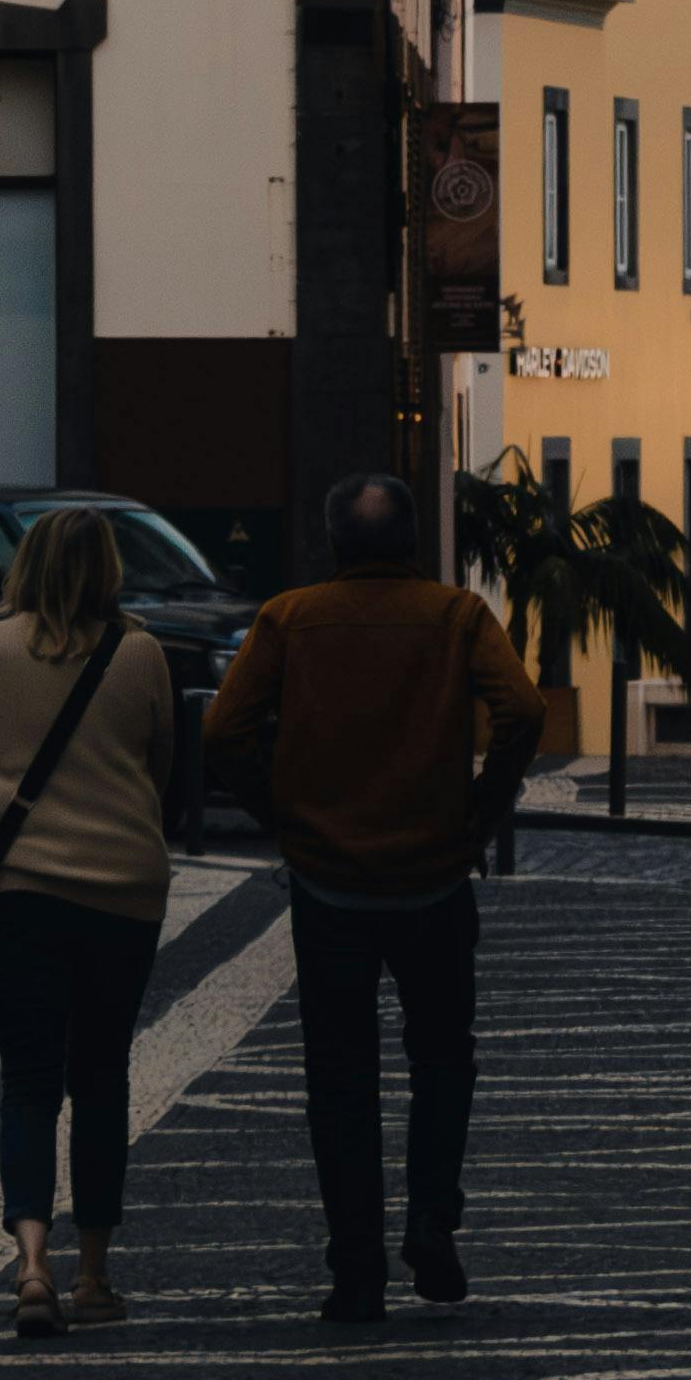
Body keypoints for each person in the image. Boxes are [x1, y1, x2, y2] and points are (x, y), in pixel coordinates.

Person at [202, 473, 551, 1330]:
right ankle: (432, 1217)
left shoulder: (288, 619)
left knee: (341, 1079)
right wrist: (481, 811)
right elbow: (523, 709)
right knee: (441, 1058)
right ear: (412, 543)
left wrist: (278, 812)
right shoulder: (458, 617)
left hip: (329, 885)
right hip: (432, 876)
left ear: (333, 546)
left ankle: (356, 1270)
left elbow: (221, 733)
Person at [0, 506, 178, 1339]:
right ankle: (94, 1277)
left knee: (29, 1080)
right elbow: (161, 761)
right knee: (102, 1076)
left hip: (18, 894)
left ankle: (30, 1263)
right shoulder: (141, 652)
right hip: (123, 893)